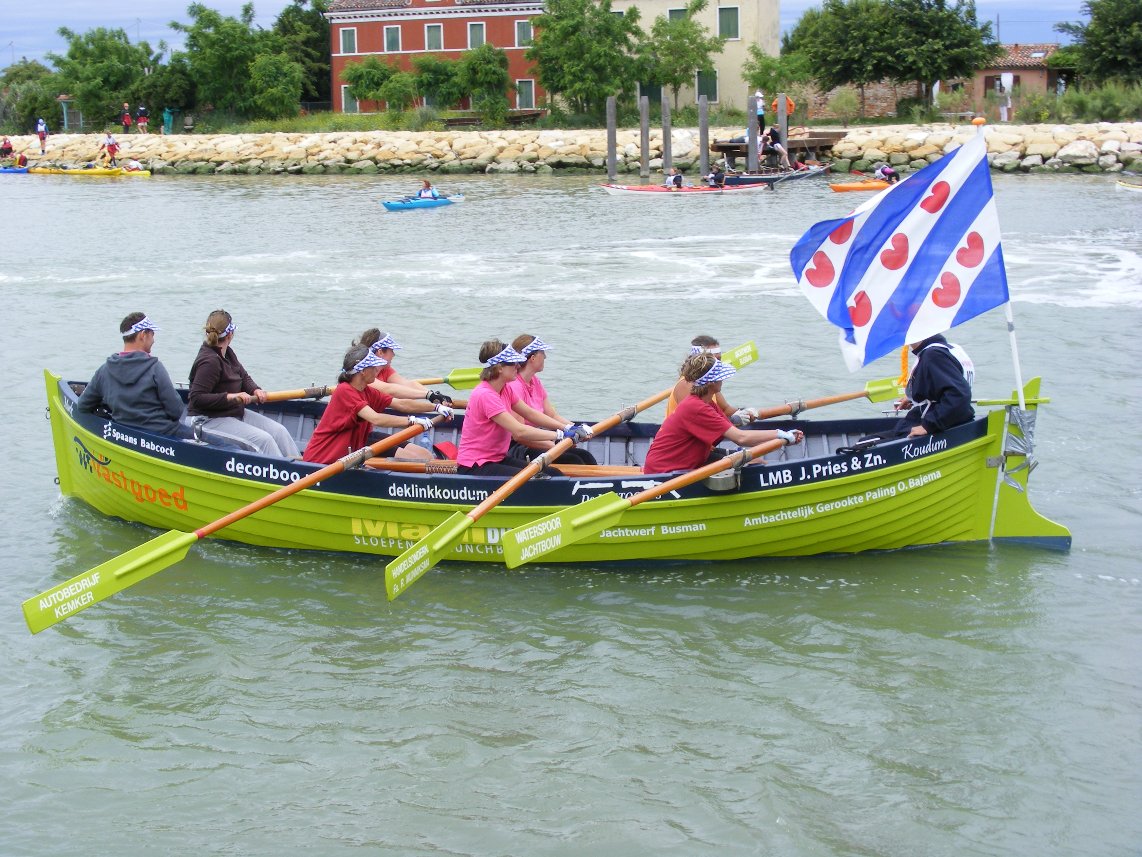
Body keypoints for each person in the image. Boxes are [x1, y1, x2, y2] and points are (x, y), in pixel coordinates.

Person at [644, 353, 802, 474]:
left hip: (693, 460)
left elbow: (728, 428)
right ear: (712, 382)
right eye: (721, 377)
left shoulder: (708, 403)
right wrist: (780, 434)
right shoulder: (695, 407)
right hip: (665, 471)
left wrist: (743, 415)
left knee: (755, 462)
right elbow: (741, 438)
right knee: (751, 467)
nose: (723, 381)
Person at [456, 340, 591, 477]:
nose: (517, 366)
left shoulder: (505, 389)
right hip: (474, 466)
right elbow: (519, 431)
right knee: (541, 479)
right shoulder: (486, 395)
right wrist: (559, 435)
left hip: (497, 459)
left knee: (553, 473)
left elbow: (530, 414)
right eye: (513, 363)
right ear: (499, 368)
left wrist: (566, 428)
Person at [302, 346, 453, 465]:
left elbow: (400, 404)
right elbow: (376, 419)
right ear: (362, 371)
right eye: (373, 367)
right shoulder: (345, 391)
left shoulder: (367, 391)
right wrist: (412, 421)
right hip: (320, 460)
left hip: (346, 459)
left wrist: (436, 407)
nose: (377, 370)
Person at [187, 309, 301, 459]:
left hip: (232, 412)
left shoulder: (228, 353)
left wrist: (255, 390)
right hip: (207, 420)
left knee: (279, 431)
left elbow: (244, 376)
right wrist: (231, 397)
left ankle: (305, 472)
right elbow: (196, 398)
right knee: (264, 441)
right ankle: (286, 477)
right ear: (230, 335)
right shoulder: (210, 361)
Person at [78, 313, 192, 438]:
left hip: (124, 434)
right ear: (143, 335)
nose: (153, 340)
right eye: (152, 334)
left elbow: (83, 405)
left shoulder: (104, 371)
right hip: (162, 434)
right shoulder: (155, 368)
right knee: (214, 441)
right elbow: (176, 411)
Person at [506, 335, 597, 466]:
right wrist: (553, 445)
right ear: (533, 358)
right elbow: (519, 436)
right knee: (573, 460)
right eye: (542, 353)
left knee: (586, 456)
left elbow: (552, 415)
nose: (545, 357)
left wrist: (576, 428)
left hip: (538, 437)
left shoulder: (535, 382)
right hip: (519, 446)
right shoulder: (514, 386)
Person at [891, 334, 974, 438]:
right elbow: (951, 386)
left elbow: (959, 394)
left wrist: (928, 426)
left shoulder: (933, 355)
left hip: (935, 423)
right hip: (960, 418)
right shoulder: (949, 349)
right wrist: (914, 399)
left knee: (869, 443)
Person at [353, 328, 451, 407]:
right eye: (391, 350)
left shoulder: (385, 369)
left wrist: (433, 394)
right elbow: (390, 390)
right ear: (380, 352)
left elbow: (407, 384)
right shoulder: (364, 372)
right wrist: (428, 396)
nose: (394, 355)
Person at [665, 336, 753, 424]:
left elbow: (725, 410)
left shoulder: (710, 383)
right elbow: (696, 423)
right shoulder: (687, 384)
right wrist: (734, 420)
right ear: (700, 361)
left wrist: (748, 412)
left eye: (720, 359)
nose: (719, 365)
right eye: (715, 360)